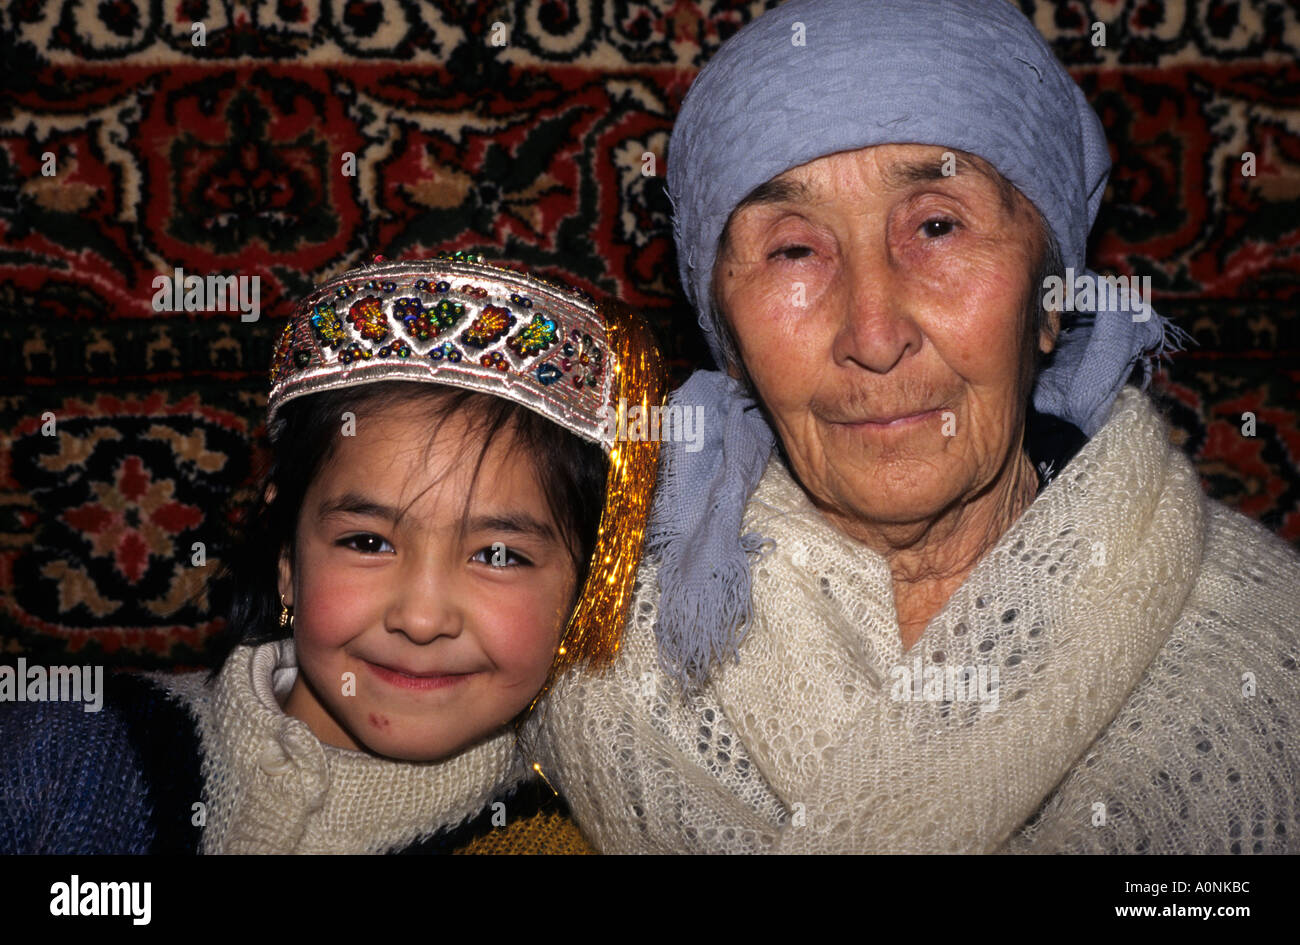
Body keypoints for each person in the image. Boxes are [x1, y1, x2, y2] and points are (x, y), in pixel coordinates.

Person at [535, 0, 1300, 853]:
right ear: (733, 344)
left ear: (1049, 303)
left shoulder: (1267, 653)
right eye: (793, 249)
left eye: (938, 225)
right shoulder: (594, 648)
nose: (873, 332)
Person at [0, 252, 665, 854]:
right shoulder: (69, 749)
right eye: (368, 541)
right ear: (287, 556)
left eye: (497, 555)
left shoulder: (541, 846)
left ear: (584, 592)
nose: (423, 617)